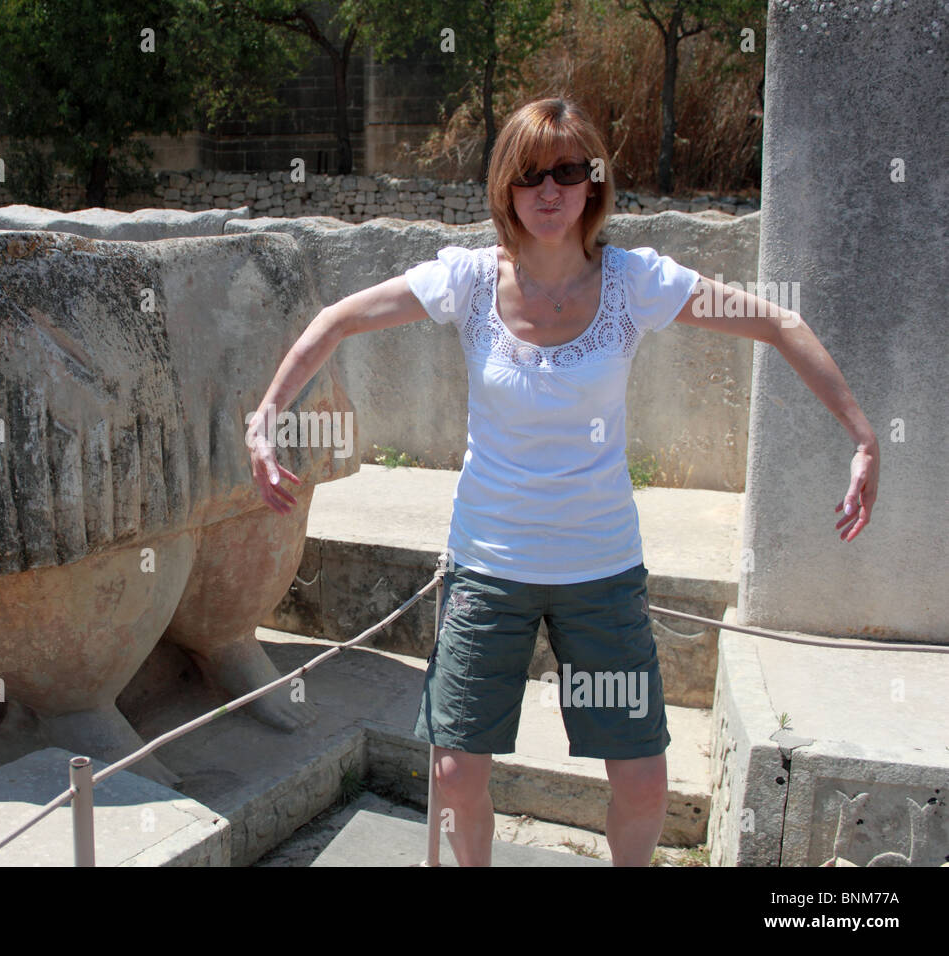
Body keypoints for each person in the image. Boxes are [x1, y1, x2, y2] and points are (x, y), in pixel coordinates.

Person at [245, 96, 879, 866]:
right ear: (505, 187)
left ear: (594, 183)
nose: (549, 191)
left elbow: (777, 323)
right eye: (530, 175)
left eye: (569, 172)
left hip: (599, 572)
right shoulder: (470, 281)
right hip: (488, 569)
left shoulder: (636, 282)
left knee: (643, 779)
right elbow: (337, 319)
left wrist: (863, 437)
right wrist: (269, 411)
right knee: (453, 768)